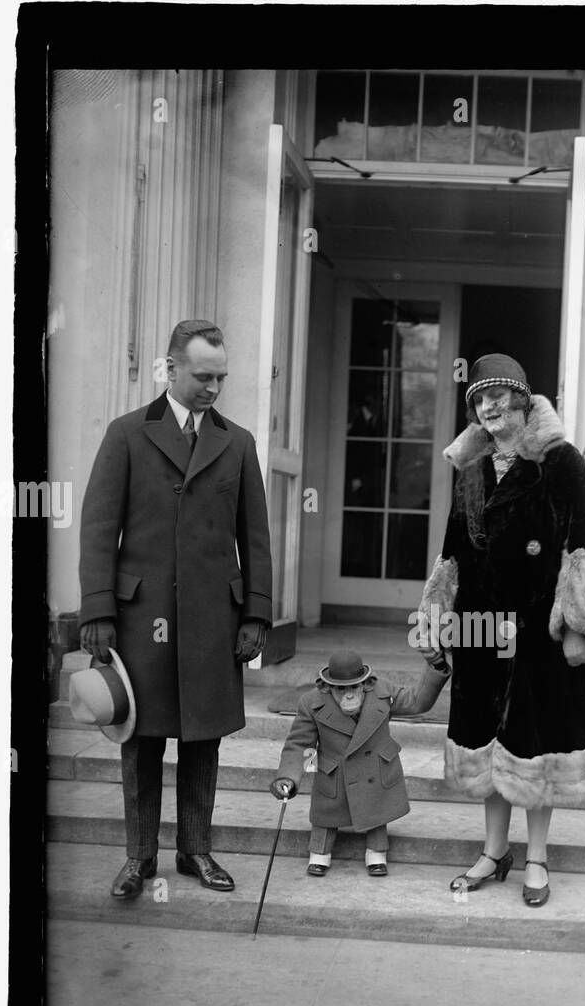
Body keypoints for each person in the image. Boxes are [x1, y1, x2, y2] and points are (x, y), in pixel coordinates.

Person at [418, 353, 585, 906]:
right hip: (482, 626)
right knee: (486, 739)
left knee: (538, 744)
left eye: (497, 396)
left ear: (523, 401)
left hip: (540, 630)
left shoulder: (561, 462)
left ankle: (535, 858)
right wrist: (439, 616)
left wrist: (579, 622)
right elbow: (452, 550)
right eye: (478, 400)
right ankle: (492, 852)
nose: (487, 407)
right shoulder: (472, 471)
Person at [78, 319, 273, 899]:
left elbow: (254, 536)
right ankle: (139, 859)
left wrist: (256, 614)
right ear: (171, 368)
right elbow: (96, 530)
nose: (214, 388)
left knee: (202, 738)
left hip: (215, 619)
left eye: (221, 378)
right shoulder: (127, 434)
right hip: (142, 619)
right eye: (203, 376)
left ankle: (196, 852)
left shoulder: (237, 442)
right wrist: (97, 612)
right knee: (141, 740)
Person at [270, 649, 450, 877]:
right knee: (325, 813)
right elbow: (299, 743)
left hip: (375, 768)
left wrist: (436, 667)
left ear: (365, 683)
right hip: (333, 770)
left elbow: (416, 702)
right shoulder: (311, 702)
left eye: (354, 687)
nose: (349, 695)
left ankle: (376, 852)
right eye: (341, 689)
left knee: (375, 805)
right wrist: (289, 777)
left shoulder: (383, 694)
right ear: (327, 687)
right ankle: (319, 853)